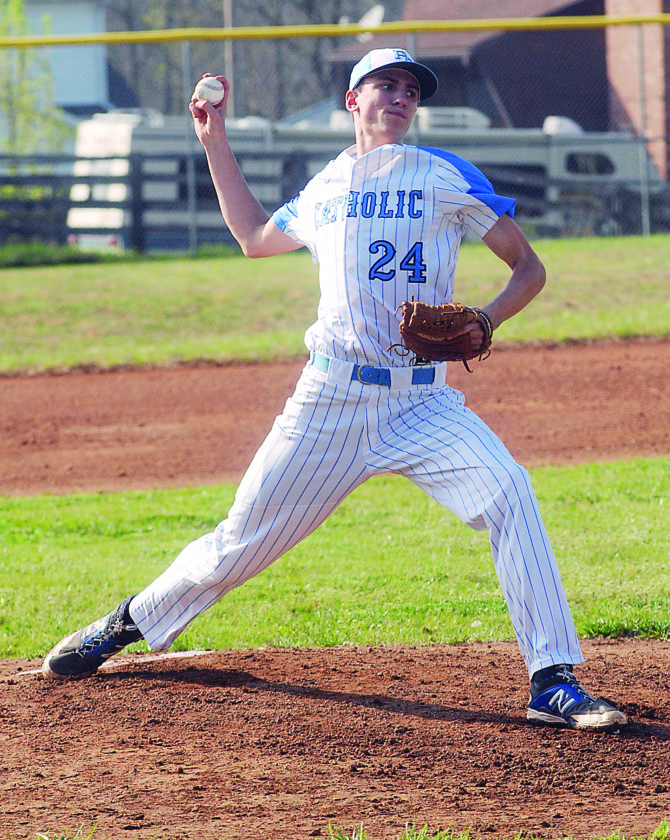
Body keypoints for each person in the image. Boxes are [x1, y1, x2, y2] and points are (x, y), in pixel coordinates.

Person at [42, 48, 627, 731]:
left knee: (510, 493)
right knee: (238, 543)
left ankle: (552, 680)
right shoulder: (326, 187)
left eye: (411, 90)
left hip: (421, 401)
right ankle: (126, 621)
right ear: (353, 99)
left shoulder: (443, 175)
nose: (401, 97)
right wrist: (214, 140)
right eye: (386, 84)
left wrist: (489, 318)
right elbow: (254, 237)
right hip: (329, 402)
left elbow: (529, 267)